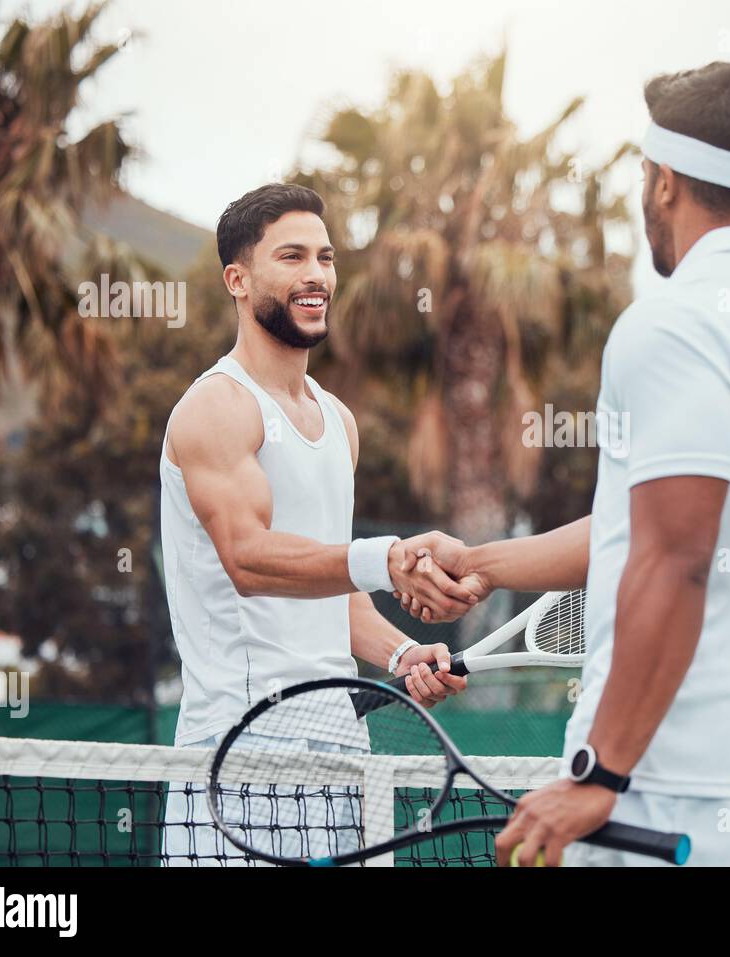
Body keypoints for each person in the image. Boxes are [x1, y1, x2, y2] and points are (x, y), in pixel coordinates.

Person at [396, 62, 730, 866]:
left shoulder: (672, 326)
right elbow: (652, 522)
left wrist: (601, 768)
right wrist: (484, 561)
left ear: (665, 182)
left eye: (643, 176)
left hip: (665, 767)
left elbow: (676, 557)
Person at [159, 184, 476, 862]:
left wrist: (399, 652)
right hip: (241, 754)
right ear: (237, 280)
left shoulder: (339, 421)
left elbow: (331, 586)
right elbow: (249, 559)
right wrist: (381, 557)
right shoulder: (215, 407)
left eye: (325, 258)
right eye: (292, 256)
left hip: (344, 756)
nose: (316, 276)